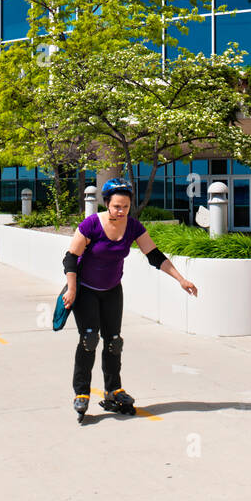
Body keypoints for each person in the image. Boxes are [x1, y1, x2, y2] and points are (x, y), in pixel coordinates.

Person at [62, 178, 198, 421]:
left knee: (113, 341)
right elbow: (71, 258)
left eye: (125, 206)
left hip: (112, 289)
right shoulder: (91, 225)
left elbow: (154, 255)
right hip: (85, 290)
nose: (121, 211)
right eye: (116, 206)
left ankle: (113, 389)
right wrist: (71, 289)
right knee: (89, 339)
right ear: (106, 204)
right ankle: (81, 392)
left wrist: (181, 279)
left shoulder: (133, 226)